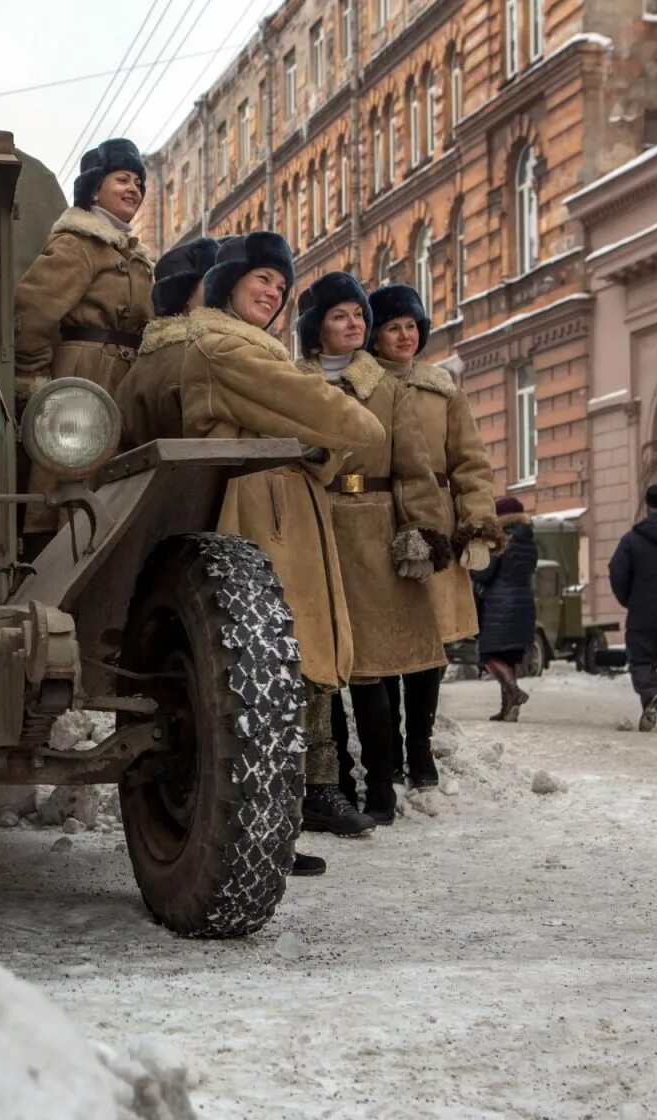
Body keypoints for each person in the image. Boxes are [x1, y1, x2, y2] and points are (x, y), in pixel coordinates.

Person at [158, 233, 385, 873]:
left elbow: (320, 439)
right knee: (264, 683)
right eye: (262, 279)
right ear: (228, 281)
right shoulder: (224, 346)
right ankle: (263, 834)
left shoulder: (250, 349)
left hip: (284, 510)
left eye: (281, 288)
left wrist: (313, 447)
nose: (272, 293)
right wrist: (323, 440)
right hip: (259, 513)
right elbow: (346, 424)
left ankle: (281, 825)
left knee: (285, 678)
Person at [295, 272, 450, 828]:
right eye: (341, 316)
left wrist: (423, 532)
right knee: (326, 666)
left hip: (375, 535)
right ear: (317, 328)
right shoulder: (294, 382)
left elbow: (415, 470)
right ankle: (333, 787)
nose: (355, 324)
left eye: (359, 316)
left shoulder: (390, 388)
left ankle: (381, 790)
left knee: (376, 669)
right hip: (315, 528)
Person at [368, 284, 500, 787]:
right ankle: (387, 747)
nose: (404, 336)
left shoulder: (444, 390)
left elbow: (472, 464)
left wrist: (476, 524)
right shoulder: (361, 385)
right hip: (380, 521)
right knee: (387, 636)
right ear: (375, 335)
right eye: (393, 327)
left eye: (411, 327)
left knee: (431, 638)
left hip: (439, 524)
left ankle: (419, 748)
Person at [14, 138, 155, 533]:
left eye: (139, 183)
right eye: (122, 179)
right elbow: (33, 309)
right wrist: (37, 383)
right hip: (82, 378)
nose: (134, 189)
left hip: (123, 382)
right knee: (70, 491)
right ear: (95, 188)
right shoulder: (78, 243)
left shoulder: (133, 255)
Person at [112, 236, 229, 446]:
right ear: (183, 296)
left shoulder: (154, 356)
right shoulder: (194, 358)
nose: (223, 291)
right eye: (212, 281)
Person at [609, 483, 657, 731]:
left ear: (647, 508)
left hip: (643, 612)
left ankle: (651, 694)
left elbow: (617, 572)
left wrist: (630, 600)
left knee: (641, 660)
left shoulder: (632, 539)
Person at [473, 497, 537, 721]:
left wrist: (473, 568)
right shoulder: (529, 540)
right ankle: (509, 709)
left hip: (499, 604)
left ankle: (513, 691)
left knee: (488, 654)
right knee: (509, 656)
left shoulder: (501, 539)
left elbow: (485, 573)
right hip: (524, 603)